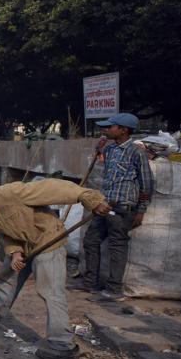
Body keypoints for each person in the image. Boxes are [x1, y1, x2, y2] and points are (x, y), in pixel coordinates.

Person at [0, 169, 112, 359]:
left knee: (50, 292)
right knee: (7, 278)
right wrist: (15, 252)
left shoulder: (11, 193)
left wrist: (90, 198)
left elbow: (53, 187)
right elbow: (4, 233)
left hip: (47, 241)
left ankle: (63, 343)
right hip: (24, 246)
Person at [77, 113, 154, 302]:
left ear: (123, 130)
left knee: (117, 246)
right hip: (105, 205)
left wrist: (141, 210)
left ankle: (113, 290)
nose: (106, 130)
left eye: (110, 127)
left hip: (123, 207)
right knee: (91, 240)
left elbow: (147, 185)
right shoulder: (110, 149)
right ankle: (91, 283)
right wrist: (99, 148)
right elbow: (100, 158)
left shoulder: (137, 152)